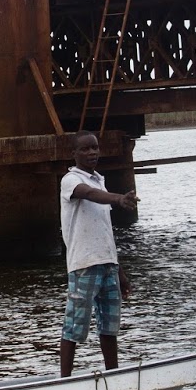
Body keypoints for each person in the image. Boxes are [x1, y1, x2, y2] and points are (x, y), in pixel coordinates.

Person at [58, 131, 138, 377]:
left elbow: (104, 232)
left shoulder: (99, 180)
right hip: (84, 264)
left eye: (95, 148)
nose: (92, 152)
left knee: (109, 327)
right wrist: (118, 199)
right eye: (85, 149)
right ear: (74, 153)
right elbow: (89, 194)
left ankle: (113, 376)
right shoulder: (71, 180)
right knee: (74, 326)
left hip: (108, 265)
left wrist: (119, 270)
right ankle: (64, 380)